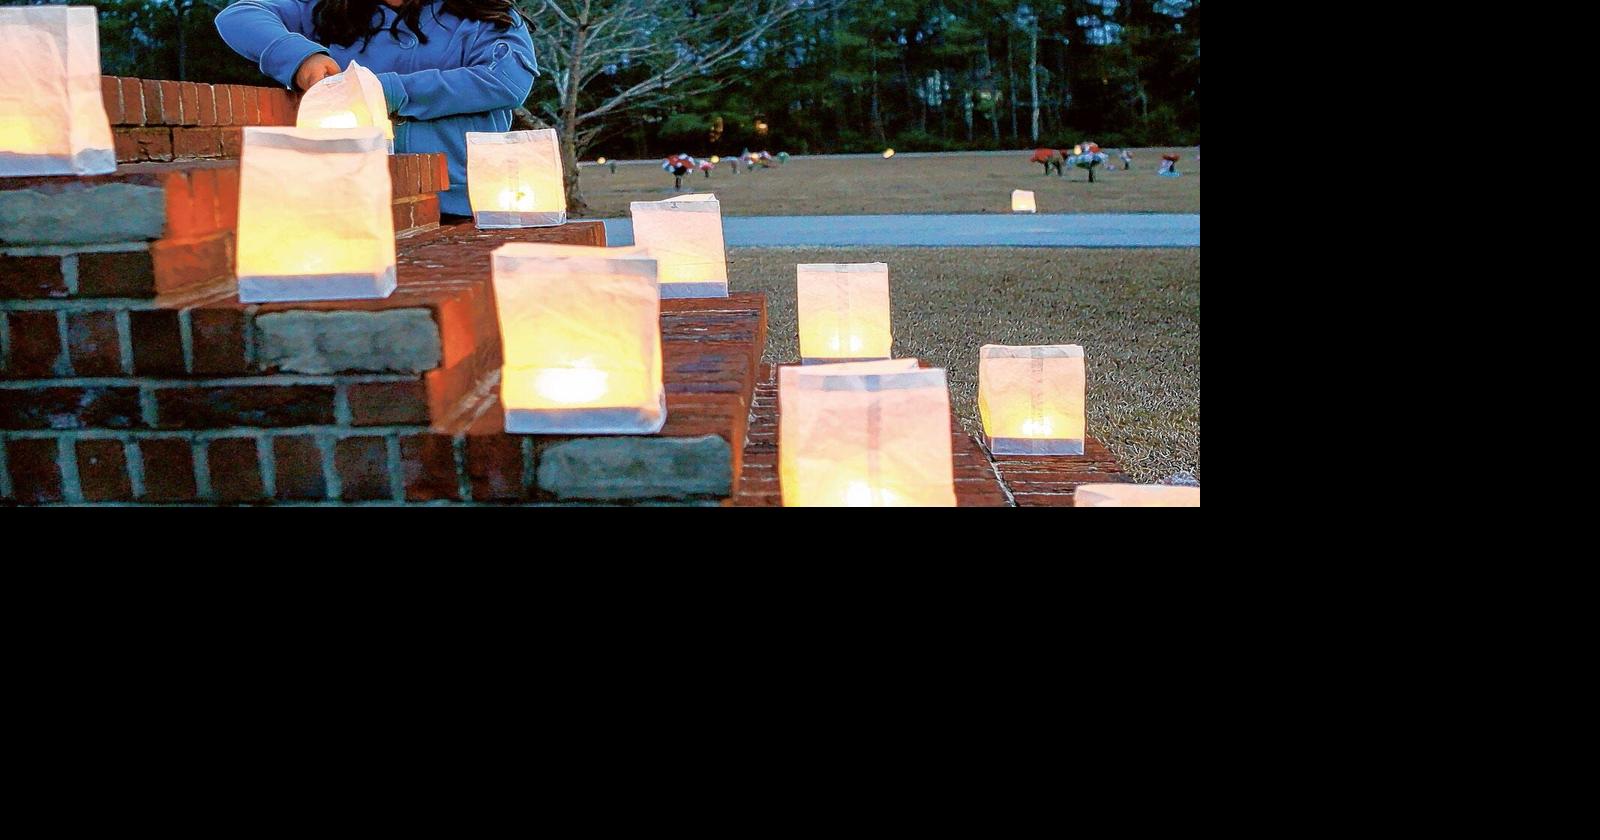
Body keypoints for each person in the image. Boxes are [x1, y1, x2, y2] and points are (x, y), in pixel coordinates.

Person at [215, 0, 537, 220]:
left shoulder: (486, 13)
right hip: (350, 203)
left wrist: (383, 90)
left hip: (464, 203)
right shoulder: (326, 10)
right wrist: (301, 57)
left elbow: (506, 81)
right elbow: (238, 16)